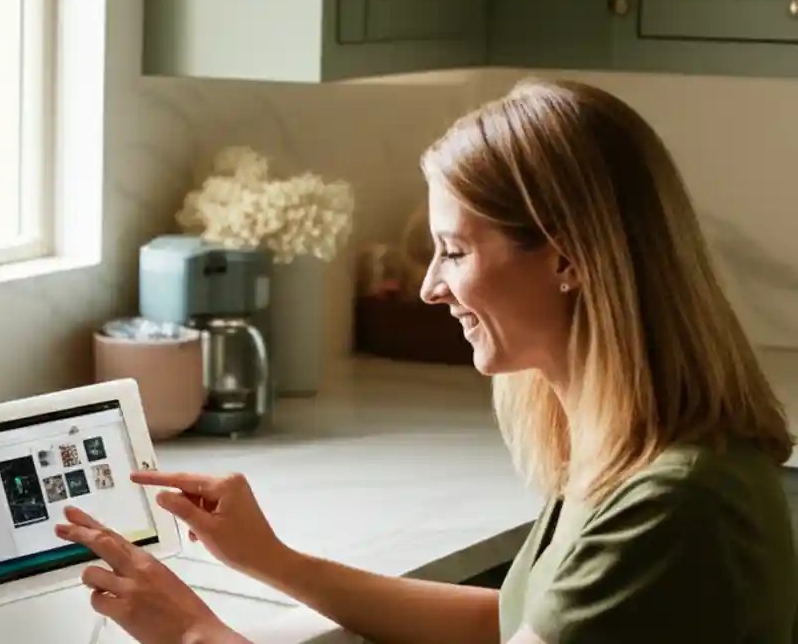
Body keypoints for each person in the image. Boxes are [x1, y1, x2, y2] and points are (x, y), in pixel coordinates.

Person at [55, 79, 797, 643]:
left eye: (455, 249)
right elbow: (512, 627)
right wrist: (275, 561)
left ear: (567, 259)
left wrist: (193, 632)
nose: (429, 287)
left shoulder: (671, 508)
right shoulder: (625, 453)